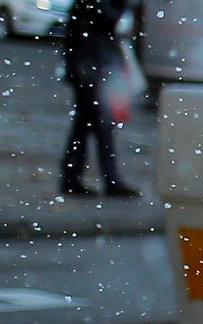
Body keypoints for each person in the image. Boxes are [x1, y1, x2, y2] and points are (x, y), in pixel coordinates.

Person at [59, 0, 139, 197]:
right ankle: (105, 179)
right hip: (92, 65)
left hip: (90, 64)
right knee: (99, 123)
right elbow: (111, 21)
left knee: (87, 123)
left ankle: (74, 176)